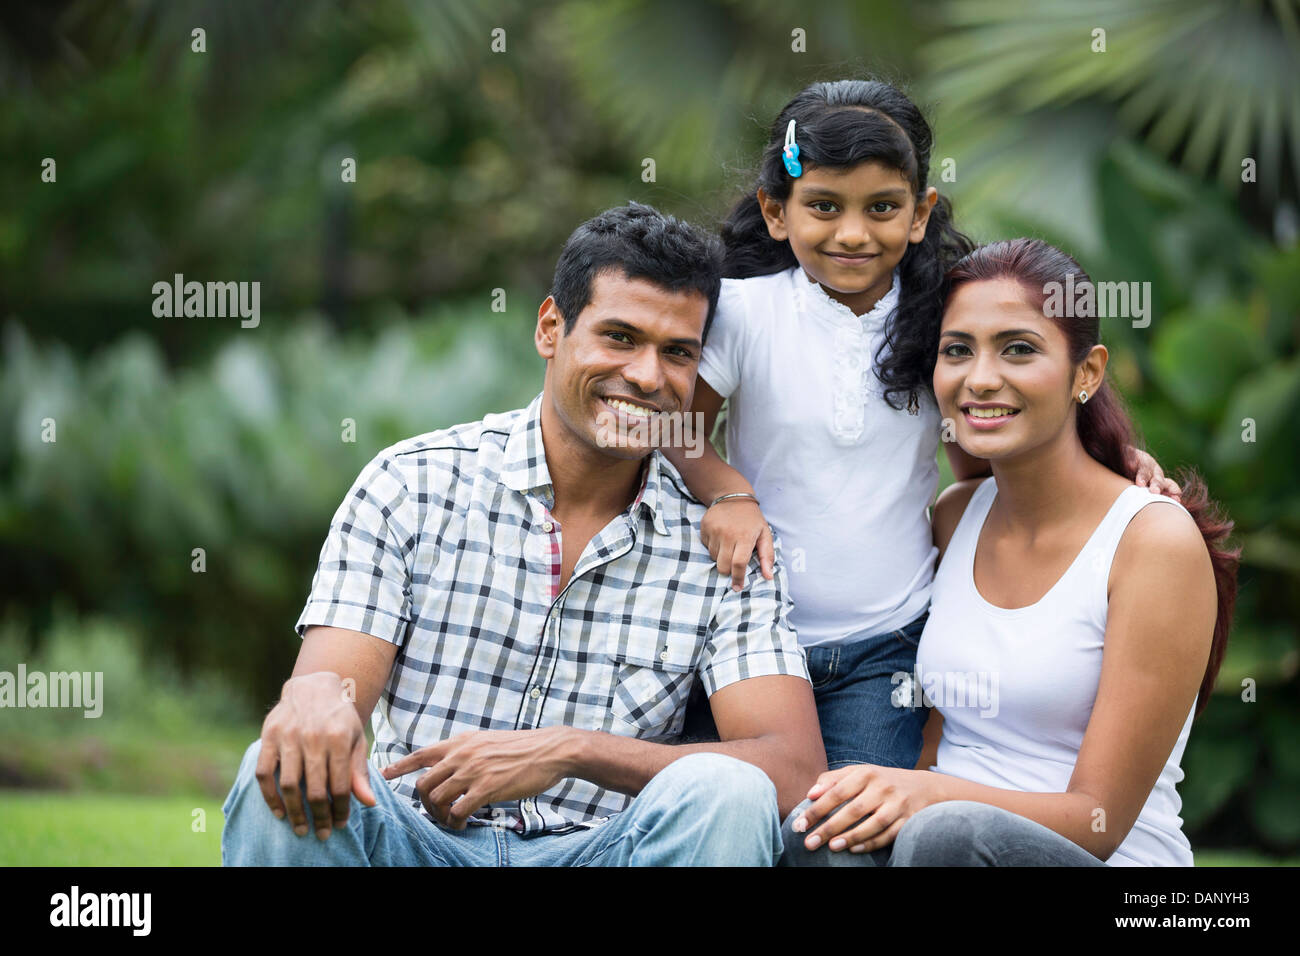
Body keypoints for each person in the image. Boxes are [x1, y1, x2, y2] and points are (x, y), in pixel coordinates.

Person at [220, 203, 825, 867]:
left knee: (728, 790)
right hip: (413, 839)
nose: (649, 377)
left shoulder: (725, 548)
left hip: (597, 851)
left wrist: (571, 750)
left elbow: (789, 769)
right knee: (274, 769)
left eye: (677, 352)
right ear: (550, 328)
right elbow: (330, 684)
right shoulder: (412, 486)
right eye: (620, 337)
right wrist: (313, 703)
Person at [664, 78, 1174, 770]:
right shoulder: (747, 312)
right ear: (777, 212)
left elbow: (992, 458)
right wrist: (728, 492)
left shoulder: (939, 320)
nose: (852, 233)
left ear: (919, 212)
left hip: (888, 646)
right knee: (742, 815)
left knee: (845, 837)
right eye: (823, 206)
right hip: (752, 630)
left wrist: (1115, 464)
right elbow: (677, 432)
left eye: (881, 207)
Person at [781, 238, 1238, 866]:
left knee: (947, 836)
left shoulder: (1152, 541)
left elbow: (1096, 820)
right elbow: (937, 743)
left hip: (1097, 861)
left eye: (1018, 349)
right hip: (935, 845)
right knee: (816, 832)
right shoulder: (955, 517)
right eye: (957, 351)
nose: (981, 377)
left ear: (1088, 372)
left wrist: (928, 796)